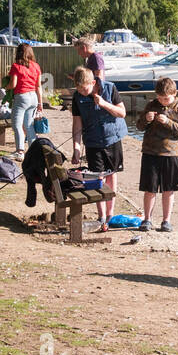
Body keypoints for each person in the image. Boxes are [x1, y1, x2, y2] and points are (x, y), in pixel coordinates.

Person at [69, 66, 128, 231]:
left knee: (111, 176)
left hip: (112, 138)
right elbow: (77, 123)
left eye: (84, 88)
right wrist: (76, 147)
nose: (82, 91)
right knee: (97, 178)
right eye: (78, 88)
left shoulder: (110, 88)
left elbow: (122, 113)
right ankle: (101, 216)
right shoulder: (77, 97)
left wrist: (104, 104)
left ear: (93, 82)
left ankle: (110, 214)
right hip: (93, 142)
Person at [135, 77, 178, 233]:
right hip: (150, 152)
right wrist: (146, 119)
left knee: (168, 189)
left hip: (170, 153)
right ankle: (147, 219)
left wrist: (168, 122)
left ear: (174, 94)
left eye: (166, 99)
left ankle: (166, 220)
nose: (163, 101)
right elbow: (139, 126)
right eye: (160, 98)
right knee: (149, 189)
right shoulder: (151, 105)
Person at [7, 43, 45, 160]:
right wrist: (40, 102)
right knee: (29, 125)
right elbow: (38, 86)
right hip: (33, 97)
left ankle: (20, 151)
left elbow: (13, 84)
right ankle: (33, 151)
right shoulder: (36, 66)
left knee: (17, 125)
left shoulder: (16, 66)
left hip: (21, 96)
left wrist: (5, 87)